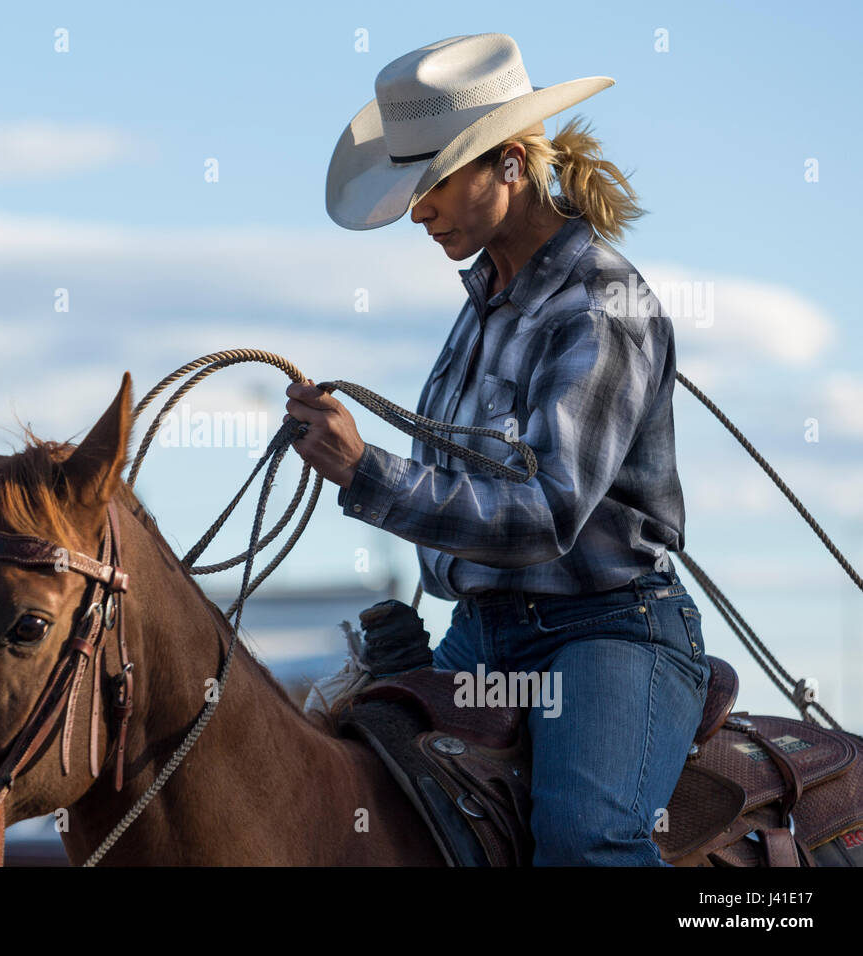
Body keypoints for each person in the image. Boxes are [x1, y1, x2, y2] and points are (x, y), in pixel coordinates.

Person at [285, 33, 710, 866]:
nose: (417, 210)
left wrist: (365, 470)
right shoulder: (486, 302)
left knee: (587, 845)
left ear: (510, 163)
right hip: (479, 634)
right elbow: (461, 485)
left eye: (434, 183)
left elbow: (545, 515)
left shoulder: (600, 305)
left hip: (604, 632)